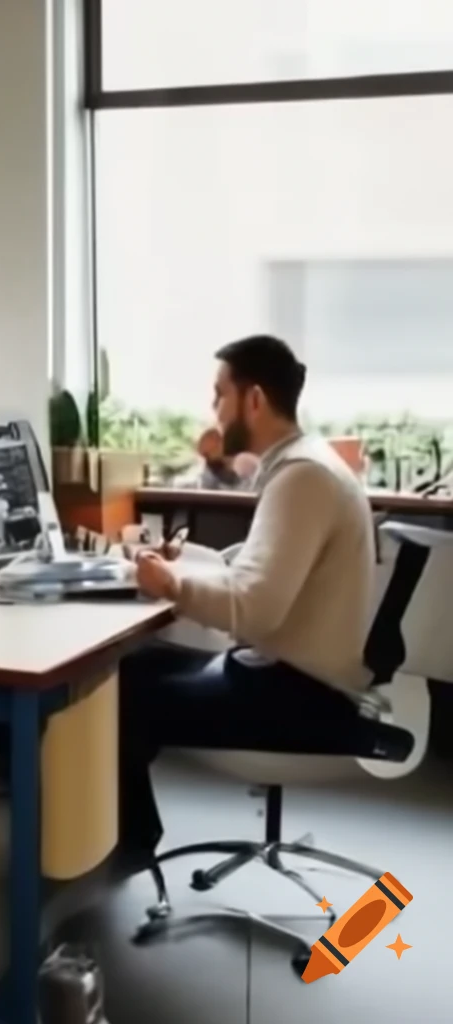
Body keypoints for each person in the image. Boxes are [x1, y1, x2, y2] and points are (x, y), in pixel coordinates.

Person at [118, 335, 375, 860]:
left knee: (118, 695)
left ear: (254, 400)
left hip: (302, 693)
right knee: (132, 666)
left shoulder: (302, 477)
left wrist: (171, 586)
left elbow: (254, 610)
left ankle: (127, 847)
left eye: (219, 395)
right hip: (295, 675)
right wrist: (190, 567)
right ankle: (127, 836)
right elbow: (267, 573)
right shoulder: (307, 463)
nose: (212, 411)